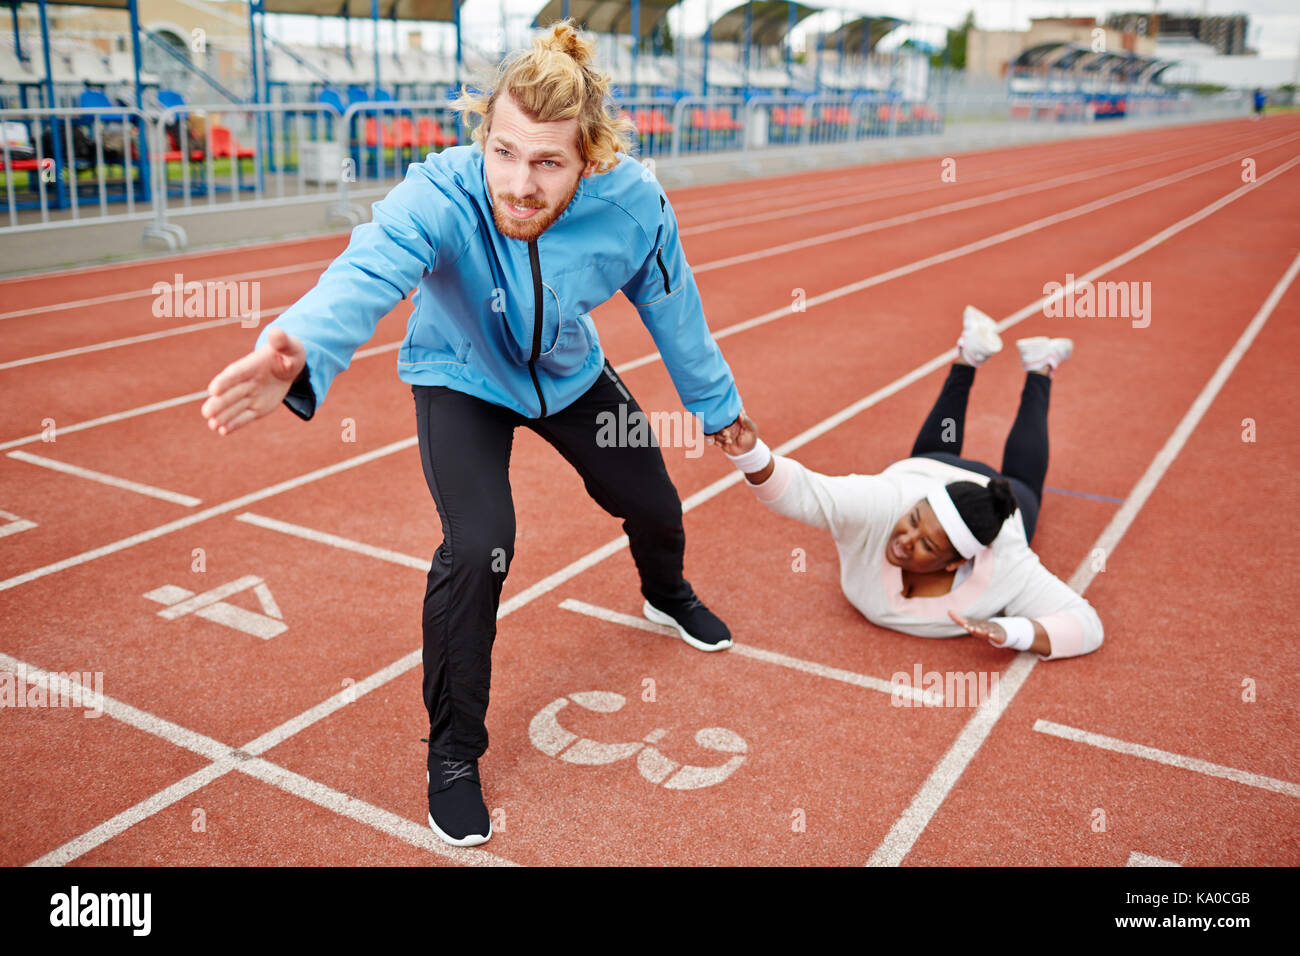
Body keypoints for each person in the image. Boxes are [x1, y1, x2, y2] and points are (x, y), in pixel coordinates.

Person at [199, 20, 746, 847]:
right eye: (504, 152)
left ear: (590, 158)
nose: (519, 185)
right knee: (481, 544)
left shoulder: (633, 201)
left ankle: (665, 594)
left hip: (567, 373)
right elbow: (370, 263)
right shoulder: (446, 191)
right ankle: (453, 756)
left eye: (547, 163)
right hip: (461, 377)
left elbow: (674, 306)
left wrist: (720, 411)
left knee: (656, 502)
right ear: (483, 139)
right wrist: (301, 344)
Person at [715, 306, 1103, 660]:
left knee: (1022, 484)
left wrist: (1012, 630)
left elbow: (1088, 626)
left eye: (927, 544)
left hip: (996, 496)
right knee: (934, 451)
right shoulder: (884, 504)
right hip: (928, 471)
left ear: (955, 562)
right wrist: (750, 454)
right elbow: (805, 493)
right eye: (914, 521)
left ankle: (1039, 368)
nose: (905, 539)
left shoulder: (1007, 565)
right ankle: (970, 357)